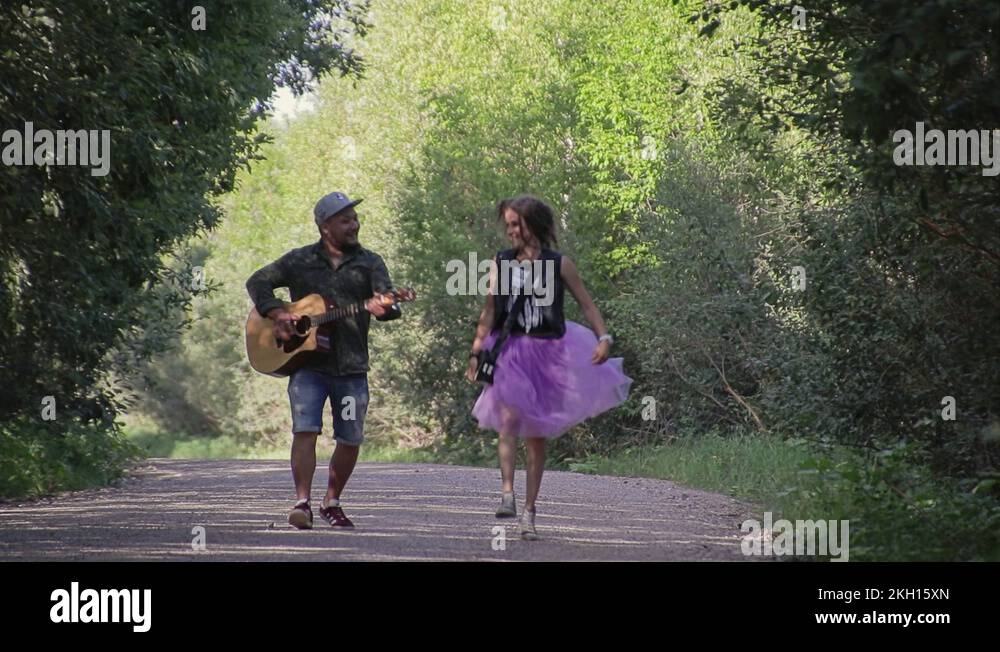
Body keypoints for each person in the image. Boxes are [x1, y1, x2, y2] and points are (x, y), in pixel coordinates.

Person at [465, 194, 632, 540]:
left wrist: (604, 338)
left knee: (537, 437)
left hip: (550, 352)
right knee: (508, 419)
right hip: (510, 350)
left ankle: (530, 512)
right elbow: (490, 311)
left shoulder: (559, 265)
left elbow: (587, 306)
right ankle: (507, 494)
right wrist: (476, 351)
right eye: (508, 224)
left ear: (534, 226)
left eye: (516, 224)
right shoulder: (501, 263)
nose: (510, 231)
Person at [246, 191, 402, 529]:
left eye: (355, 219)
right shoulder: (299, 260)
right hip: (307, 367)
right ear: (325, 226)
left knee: (349, 437)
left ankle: (332, 501)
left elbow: (388, 304)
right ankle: (302, 503)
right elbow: (258, 281)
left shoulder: (370, 263)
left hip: (351, 367)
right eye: (345, 220)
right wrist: (277, 313)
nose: (354, 225)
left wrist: (385, 306)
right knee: (305, 430)